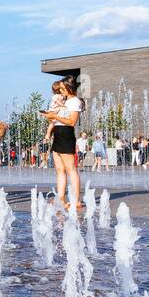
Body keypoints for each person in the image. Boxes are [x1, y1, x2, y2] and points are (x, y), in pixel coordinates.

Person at [41, 78, 83, 211]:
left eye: (63, 89)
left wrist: (55, 116)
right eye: (60, 89)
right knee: (59, 170)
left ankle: (76, 201)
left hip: (66, 134)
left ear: (70, 88)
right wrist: (50, 116)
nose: (61, 91)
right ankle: (61, 198)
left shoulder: (75, 101)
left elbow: (71, 122)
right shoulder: (65, 101)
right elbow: (58, 119)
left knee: (71, 169)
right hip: (58, 134)